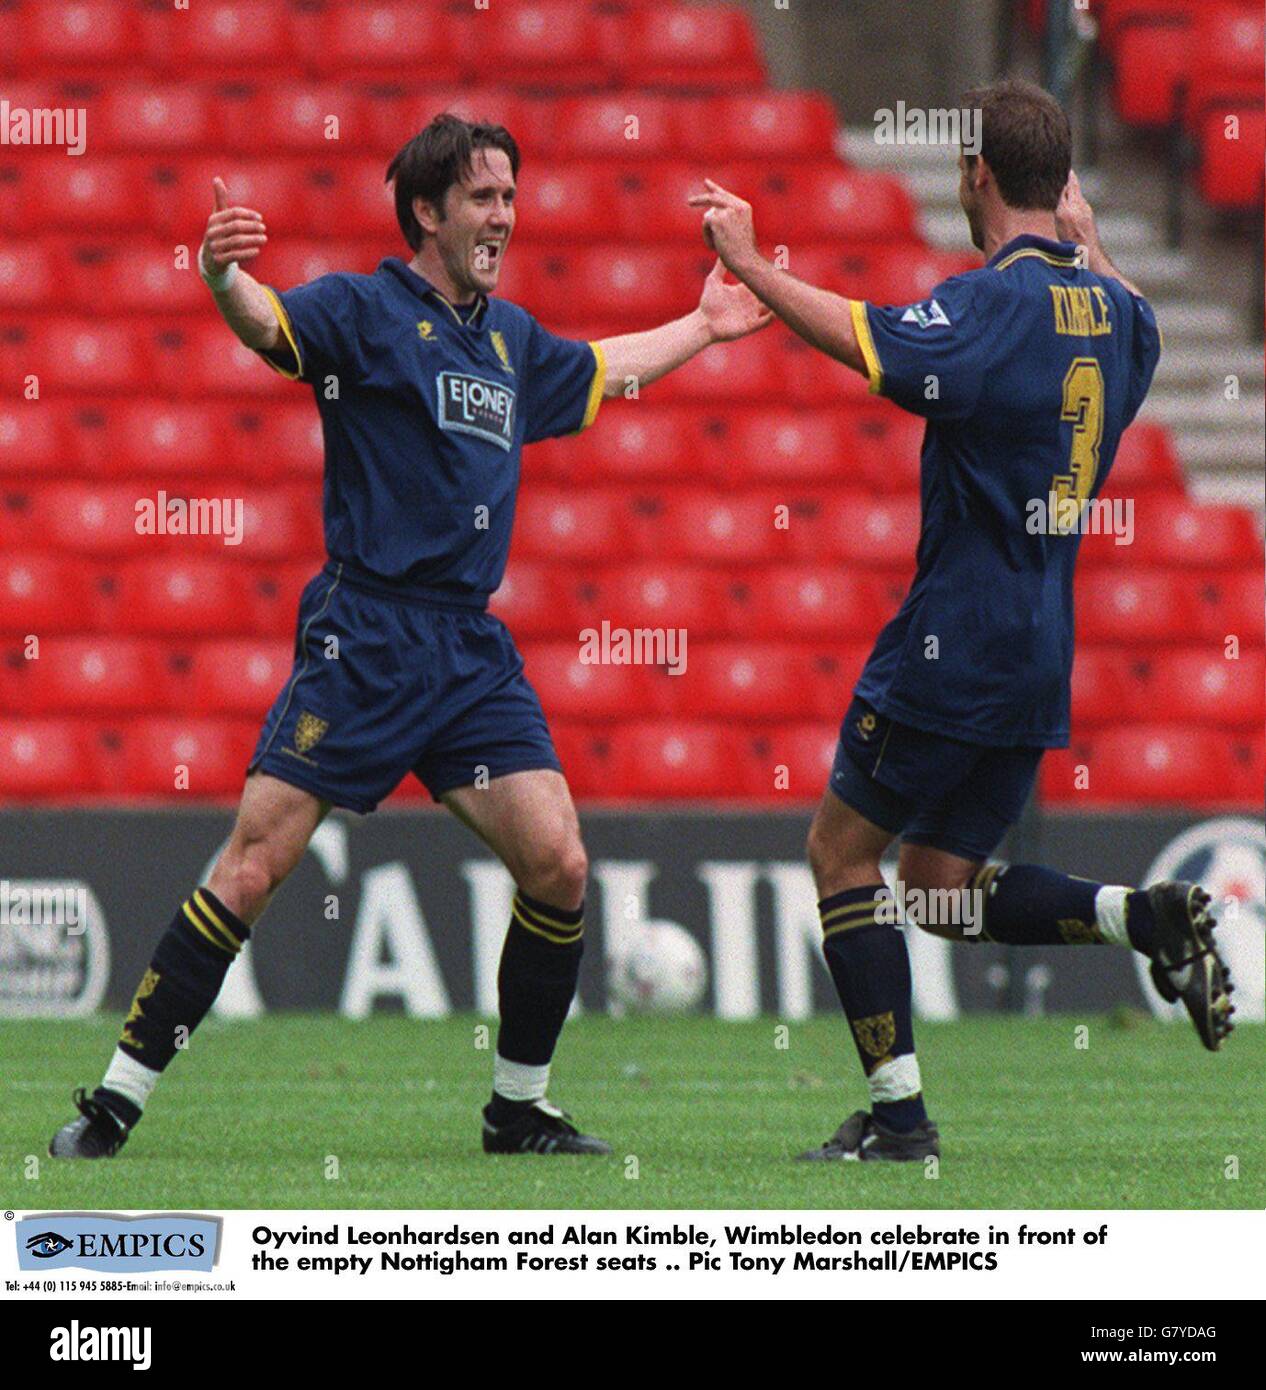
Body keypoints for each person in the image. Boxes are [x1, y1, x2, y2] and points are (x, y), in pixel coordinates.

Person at [50, 113, 772, 1161]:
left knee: (559, 863)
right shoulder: (363, 311)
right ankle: (114, 1103)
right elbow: (268, 326)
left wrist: (701, 326)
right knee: (252, 866)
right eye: (484, 197)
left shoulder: (510, 338)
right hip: (366, 634)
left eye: (511, 197)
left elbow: (600, 368)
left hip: (467, 650)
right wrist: (220, 277)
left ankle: (517, 1110)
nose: (504, 216)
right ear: (427, 212)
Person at [691, 78, 1234, 1163]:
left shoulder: (993, 304)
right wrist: (1092, 243)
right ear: (1062, 184)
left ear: (976, 172)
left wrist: (753, 266)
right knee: (937, 891)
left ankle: (899, 1122)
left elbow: (871, 341)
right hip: (1039, 653)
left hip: (956, 637)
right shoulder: (1117, 315)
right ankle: (1143, 918)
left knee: (840, 854)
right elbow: (1145, 324)